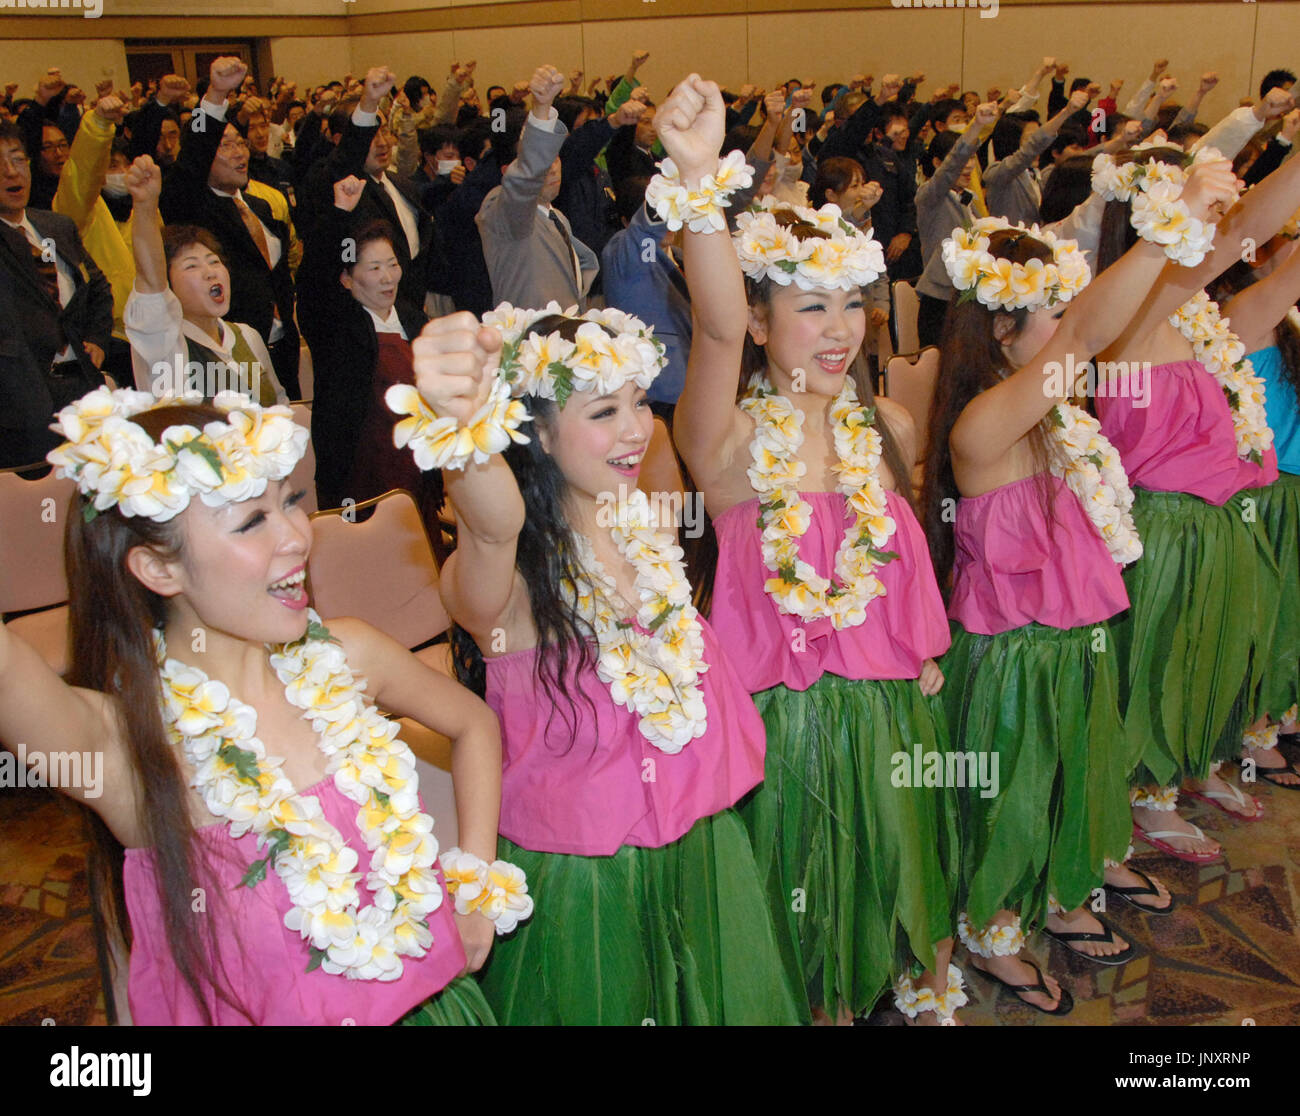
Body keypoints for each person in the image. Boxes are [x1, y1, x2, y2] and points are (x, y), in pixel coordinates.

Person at [0, 389, 523, 1025]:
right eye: (252, 522)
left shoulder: (350, 655)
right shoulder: (128, 745)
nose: (298, 536)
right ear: (159, 571)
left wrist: (475, 884)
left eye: (291, 503)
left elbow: (474, 723)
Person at [388, 303, 806, 1025]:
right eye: (604, 411)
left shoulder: (647, 522)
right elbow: (493, 520)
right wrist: (458, 425)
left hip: (699, 847)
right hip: (588, 885)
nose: (637, 429)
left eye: (640, 402)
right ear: (538, 433)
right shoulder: (506, 581)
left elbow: (719, 326)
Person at [655, 74, 961, 1024]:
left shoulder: (885, 428)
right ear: (761, 324)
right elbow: (708, 323)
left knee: (896, 890)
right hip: (783, 726)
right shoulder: (730, 450)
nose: (840, 331)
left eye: (850, 306)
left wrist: (921, 661)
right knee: (800, 917)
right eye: (810, 309)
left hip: (885, 716)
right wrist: (700, 179)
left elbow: (904, 561)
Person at [922, 193, 1234, 1010]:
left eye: (1063, 314)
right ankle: (989, 935)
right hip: (1014, 657)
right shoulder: (986, 424)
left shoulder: (1055, 416)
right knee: (1006, 803)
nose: (1067, 329)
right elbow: (1090, 337)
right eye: (1050, 314)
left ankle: (1052, 897)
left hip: (1068, 646)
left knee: (1064, 784)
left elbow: (1091, 338)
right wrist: (1163, 223)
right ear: (1000, 330)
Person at [1090, 139, 1300, 858]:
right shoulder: (1126, 323)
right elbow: (1224, 244)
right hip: (1162, 531)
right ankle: (1147, 795)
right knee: (1161, 671)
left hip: (1217, 522)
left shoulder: (1196, 317)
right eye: (1198, 205)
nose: (1218, 220)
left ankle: (1195, 766)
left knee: (1214, 659)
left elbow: (1237, 242)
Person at [298, 175, 439, 530]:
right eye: (374, 268)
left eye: (392, 264)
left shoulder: (411, 317)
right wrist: (340, 214)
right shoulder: (336, 326)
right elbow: (314, 277)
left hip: (416, 470)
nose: (388, 277)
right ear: (347, 279)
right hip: (360, 477)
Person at [1209, 244, 1300, 782]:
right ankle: (1253, 728)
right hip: (1268, 489)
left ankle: (1279, 713)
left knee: (1286, 616)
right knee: (1264, 619)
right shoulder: (1246, 312)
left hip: (1290, 486)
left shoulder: (1278, 315)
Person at [159, 57, 300, 399]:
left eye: (241, 143)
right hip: (224, 347)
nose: (240, 153)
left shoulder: (262, 206)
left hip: (280, 343)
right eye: (226, 145)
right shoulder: (192, 207)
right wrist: (216, 95)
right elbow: (192, 158)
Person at [122, 154, 286, 406]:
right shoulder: (163, 342)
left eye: (214, 261)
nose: (210, 272)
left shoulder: (247, 335)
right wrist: (145, 205)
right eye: (191, 266)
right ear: (169, 285)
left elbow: (278, 405)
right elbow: (150, 280)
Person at [0, 119, 112, 468]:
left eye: (18, 159)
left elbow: (97, 288)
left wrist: (96, 338)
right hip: (22, 402)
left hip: (81, 388)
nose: (10, 172)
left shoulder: (53, 228)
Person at [476, 65, 598, 310]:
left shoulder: (557, 216)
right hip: (531, 341)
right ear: (510, 170)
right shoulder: (502, 208)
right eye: (543, 158)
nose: (552, 168)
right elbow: (525, 178)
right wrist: (541, 110)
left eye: (556, 156)